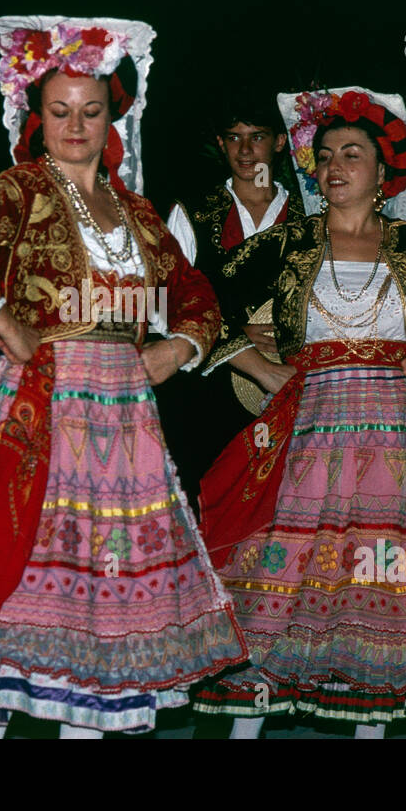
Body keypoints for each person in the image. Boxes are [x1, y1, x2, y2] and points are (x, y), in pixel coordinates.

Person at [0, 15, 247, 737]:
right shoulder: (14, 189)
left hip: (124, 414)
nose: (76, 125)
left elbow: (196, 297)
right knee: (14, 590)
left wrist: (176, 350)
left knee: (108, 607)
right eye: (60, 111)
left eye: (91, 111)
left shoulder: (136, 210)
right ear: (36, 118)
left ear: (113, 116)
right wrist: (8, 325)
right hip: (39, 399)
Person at [191, 87, 406, 738]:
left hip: (398, 434)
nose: (334, 165)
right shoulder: (289, 245)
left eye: (352, 153)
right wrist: (262, 368)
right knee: (287, 578)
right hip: (311, 428)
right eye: (324, 155)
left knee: (381, 580)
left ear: (384, 171)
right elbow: (199, 300)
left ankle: (369, 726)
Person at [156, 92, 301, 505]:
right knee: (204, 509)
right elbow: (163, 306)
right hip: (205, 399)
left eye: (256, 136)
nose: (245, 150)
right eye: (233, 137)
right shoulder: (194, 212)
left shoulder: (311, 220)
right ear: (220, 144)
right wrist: (237, 334)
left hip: (290, 391)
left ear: (278, 142)